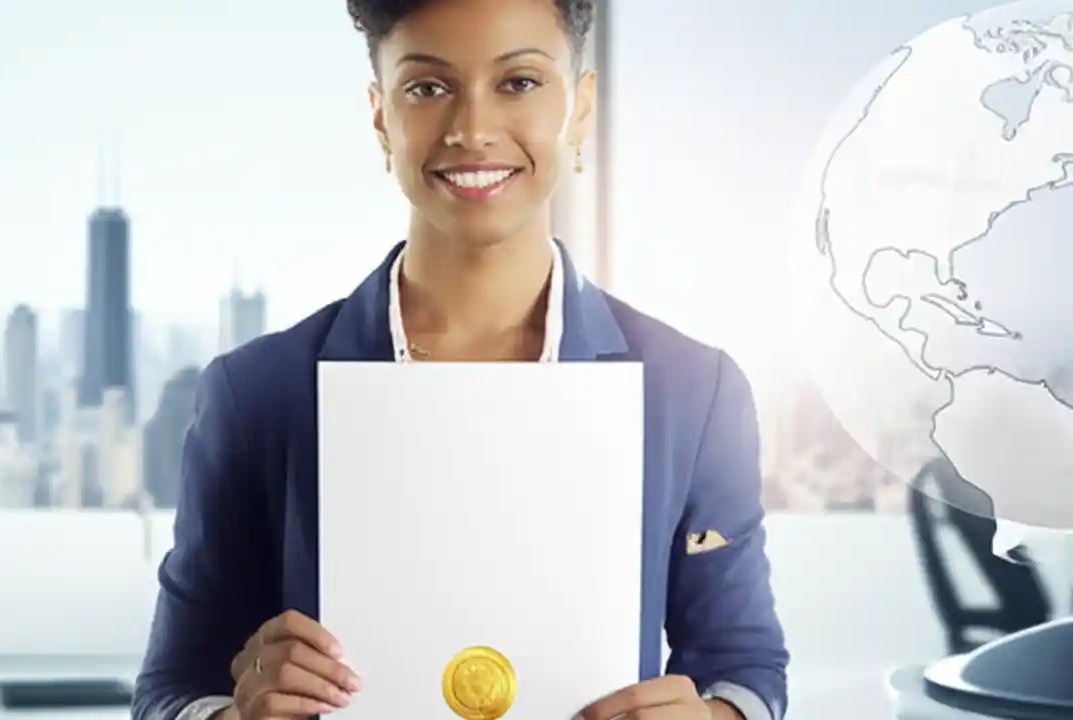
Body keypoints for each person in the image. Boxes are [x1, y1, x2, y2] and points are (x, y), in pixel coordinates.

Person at [132, 0, 789, 718]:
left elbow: (744, 668)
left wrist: (713, 716)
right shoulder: (258, 392)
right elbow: (170, 690)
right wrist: (234, 715)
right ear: (381, 117)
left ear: (580, 108)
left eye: (519, 83)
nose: (472, 129)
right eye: (428, 87)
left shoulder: (692, 390)